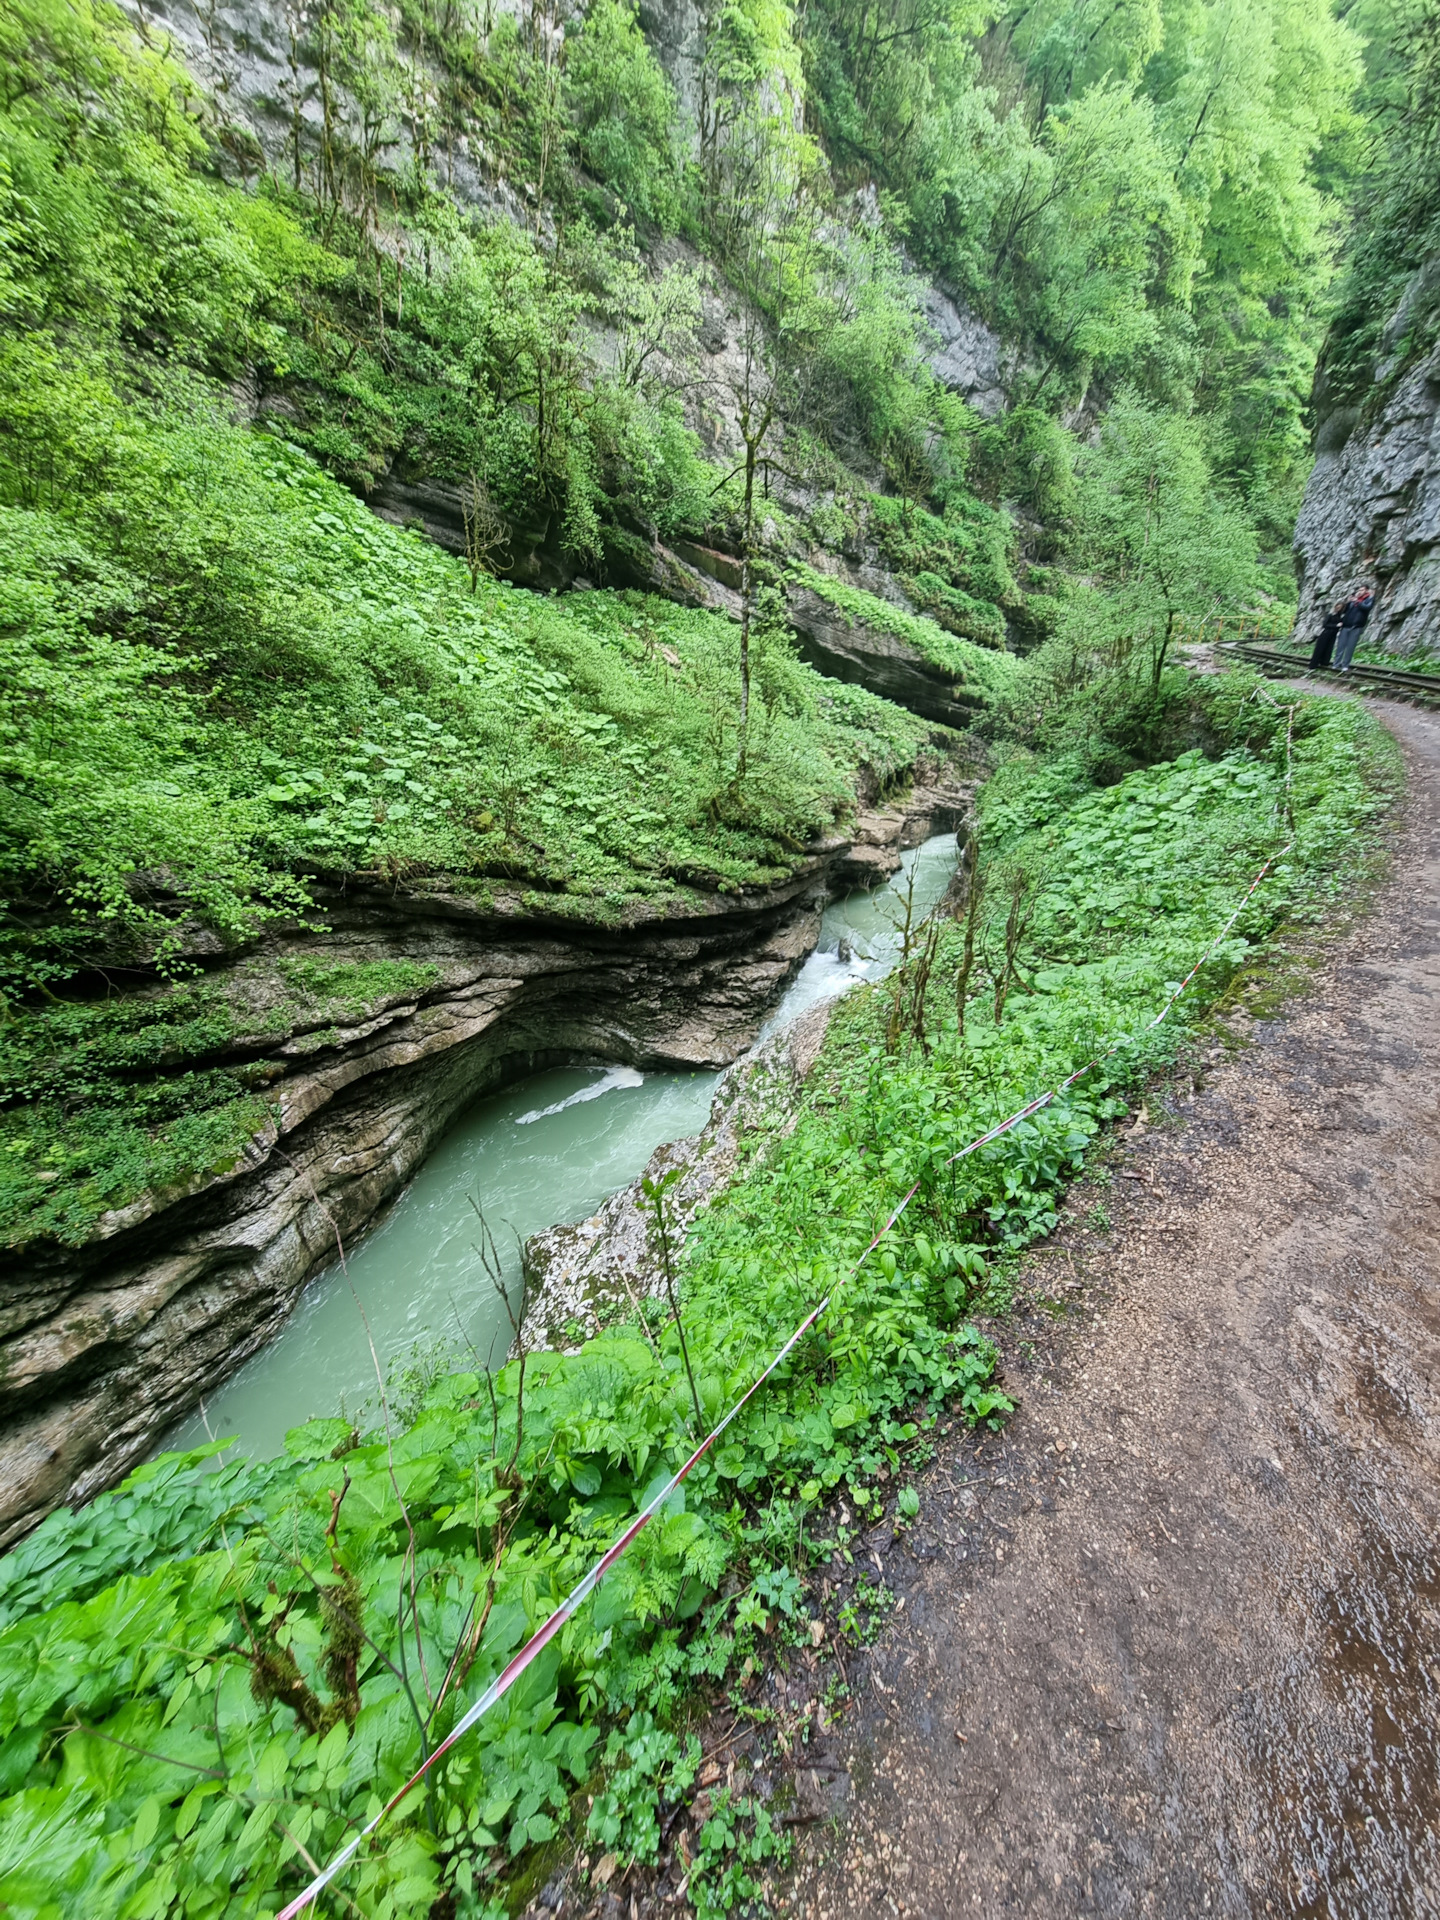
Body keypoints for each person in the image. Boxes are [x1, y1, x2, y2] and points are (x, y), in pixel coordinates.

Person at [1332, 586, 1376, 672]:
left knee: (1350, 647)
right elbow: (1344, 611)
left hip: (1356, 627)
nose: (1360, 591)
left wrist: (1358, 602)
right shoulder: (1353, 599)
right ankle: (1336, 663)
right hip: (1346, 626)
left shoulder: (1368, 599)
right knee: (1340, 646)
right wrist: (1348, 602)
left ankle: (1345, 665)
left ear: (1366, 591)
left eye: (1362, 590)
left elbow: (1367, 608)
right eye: (1359, 590)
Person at [1309, 600, 1345, 669]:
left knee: (1329, 648)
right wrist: (1336, 625)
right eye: (1338, 607)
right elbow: (1325, 624)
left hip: (1333, 634)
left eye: (1340, 608)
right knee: (1320, 648)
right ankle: (1313, 665)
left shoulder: (1340, 616)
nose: (1339, 609)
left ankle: (1324, 662)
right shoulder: (1331, 614)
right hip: (1326, 633)